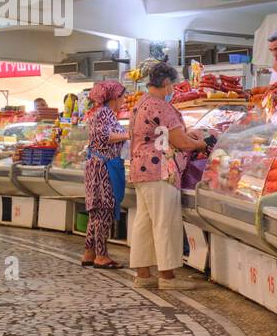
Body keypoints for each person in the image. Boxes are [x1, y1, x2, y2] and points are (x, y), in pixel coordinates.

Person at [129, 63, 205, 290]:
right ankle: (167, 277)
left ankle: (143, 275)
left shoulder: (141, 103)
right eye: (172, 84)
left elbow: (162, 135)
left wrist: (184, 135)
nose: (173, 89)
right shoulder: (160, 106)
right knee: (165, 223)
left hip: (140, 170)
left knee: (144, 223)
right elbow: (180, 142)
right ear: (165, 83)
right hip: (161, 171)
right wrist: (199, 143)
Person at [81, 80, 128, 269]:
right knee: (103, 211)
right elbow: (104, 137)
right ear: (115, 97)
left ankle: (89, 253)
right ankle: (102, 256)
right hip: (103, 168)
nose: (124, 99)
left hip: (99, 166)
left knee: (96, 213)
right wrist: (129, 135)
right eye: (123, 96)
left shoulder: (101, 113)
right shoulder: (105, 113)